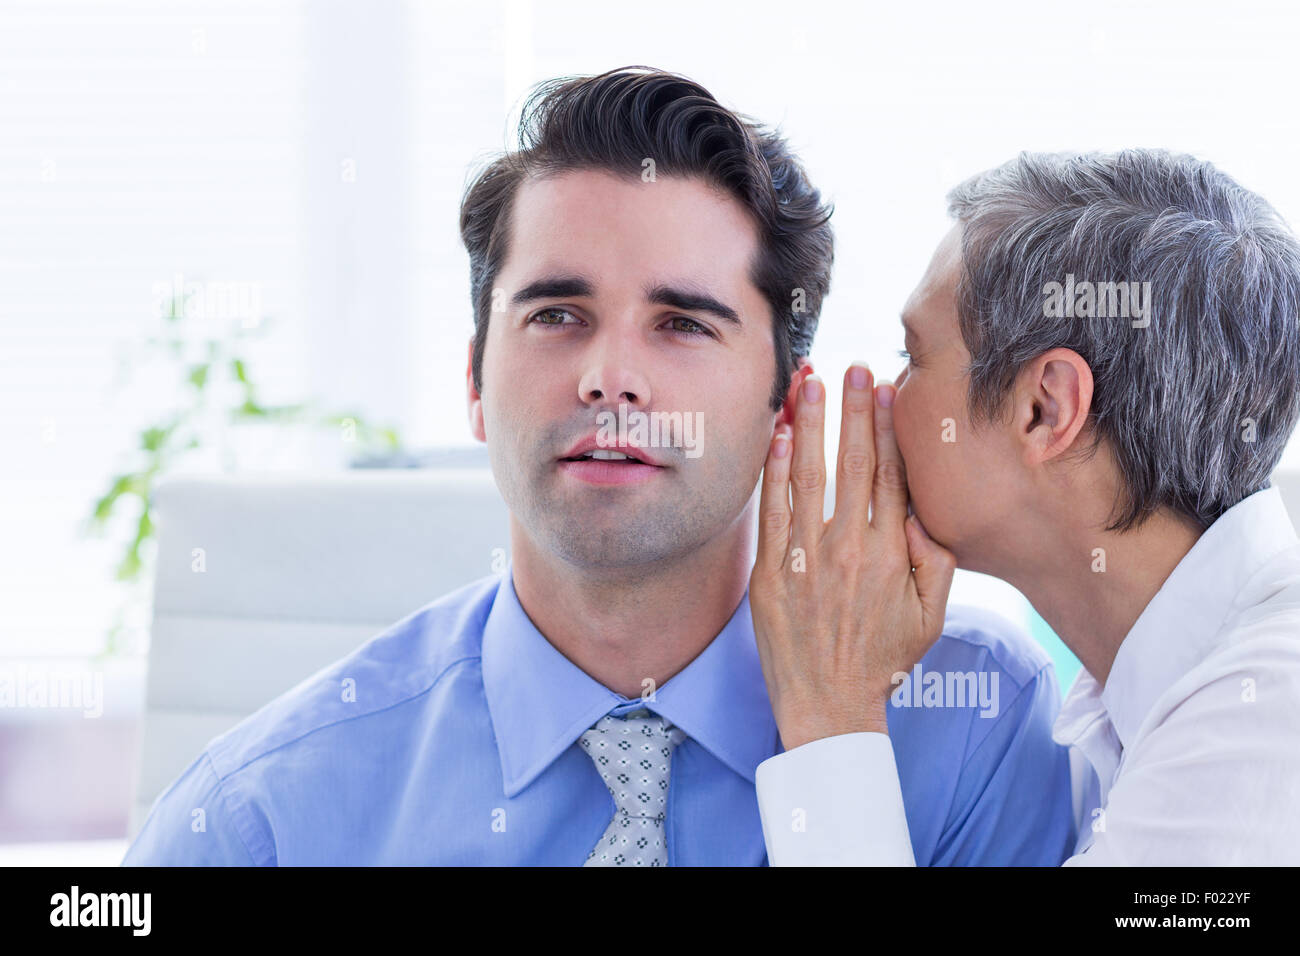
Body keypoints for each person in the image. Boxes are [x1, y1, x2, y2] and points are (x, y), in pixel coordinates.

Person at [122, 67, 1073, 866]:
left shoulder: (975, 740)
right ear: (475, 382)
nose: (609, 378)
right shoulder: (260, 824)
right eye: (556, 315)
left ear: (787, 402)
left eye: (682, 324)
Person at [752, 149, 1300, 865]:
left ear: (1046, 408)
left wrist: (831, 718)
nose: (883, 399)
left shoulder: (1261, 726)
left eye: (912, 356)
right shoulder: (1163, 703)